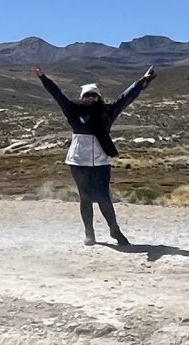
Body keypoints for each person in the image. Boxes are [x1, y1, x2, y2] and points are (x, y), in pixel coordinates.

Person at [33, 63, 156, 246]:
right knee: (85, 197)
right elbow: (57, 95)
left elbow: (125, 98)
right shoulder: (73, 111)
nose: (90, 98)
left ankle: (115, 230)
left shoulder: (108, 112)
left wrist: (143, 81)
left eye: (94, 95)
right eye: (87, 95)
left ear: (99, 97)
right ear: (82, 98)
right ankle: (89, 233)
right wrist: (43, 78)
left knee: (104, 197)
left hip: (100, 162)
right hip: (78, 161)